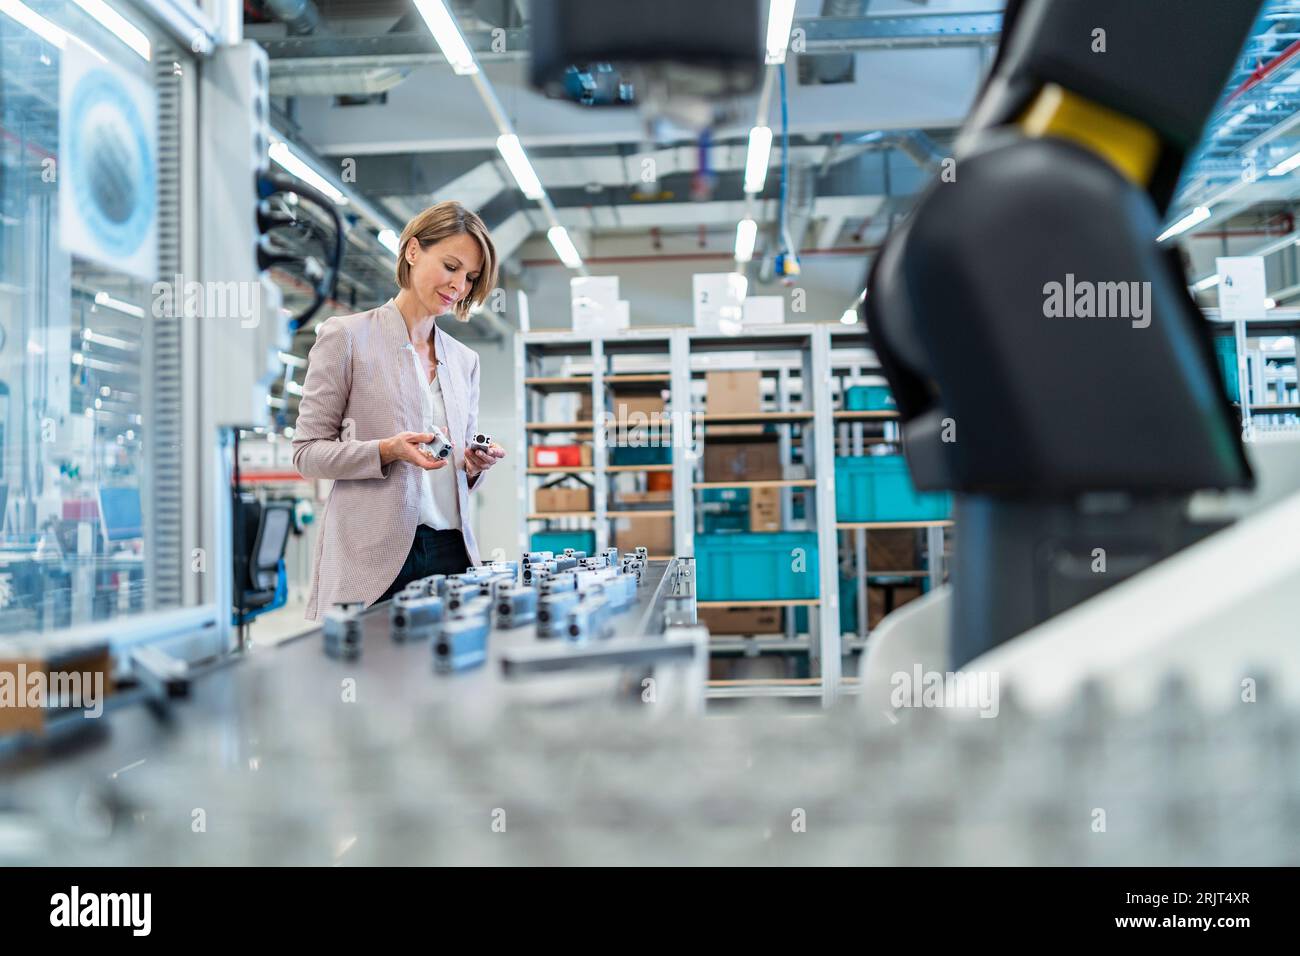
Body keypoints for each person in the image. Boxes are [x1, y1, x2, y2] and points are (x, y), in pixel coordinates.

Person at [292, 201, 505, 620]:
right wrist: (385, 451)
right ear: (412, 251)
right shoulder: (346, 338)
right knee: (370, 680)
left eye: (470, 277)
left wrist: (474, 465)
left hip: (451, 553)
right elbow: (307, 454)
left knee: (449, 678)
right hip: (373, 556)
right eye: (450, 266)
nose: (459, 285)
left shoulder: (464, 361)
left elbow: (456, 473)